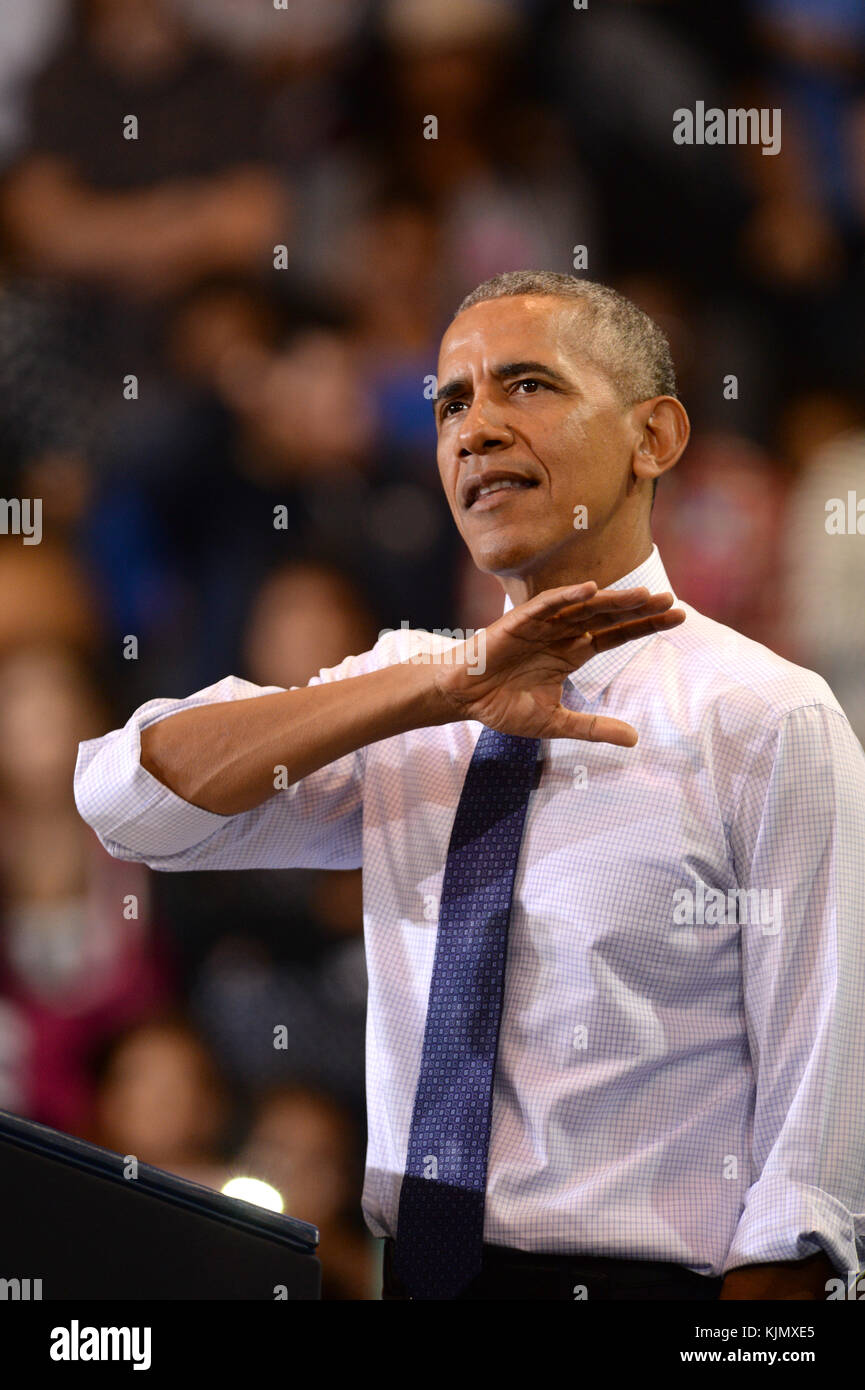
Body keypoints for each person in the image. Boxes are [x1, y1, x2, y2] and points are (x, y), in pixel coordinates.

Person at [74, 270, 865, 1301]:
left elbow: (815, 1160)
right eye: (450, 402)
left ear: (654, 437)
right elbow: (128, 801)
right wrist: (448, 681)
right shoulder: (408, 694)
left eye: (526, 385)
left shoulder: (768, 718)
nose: (474, 429)